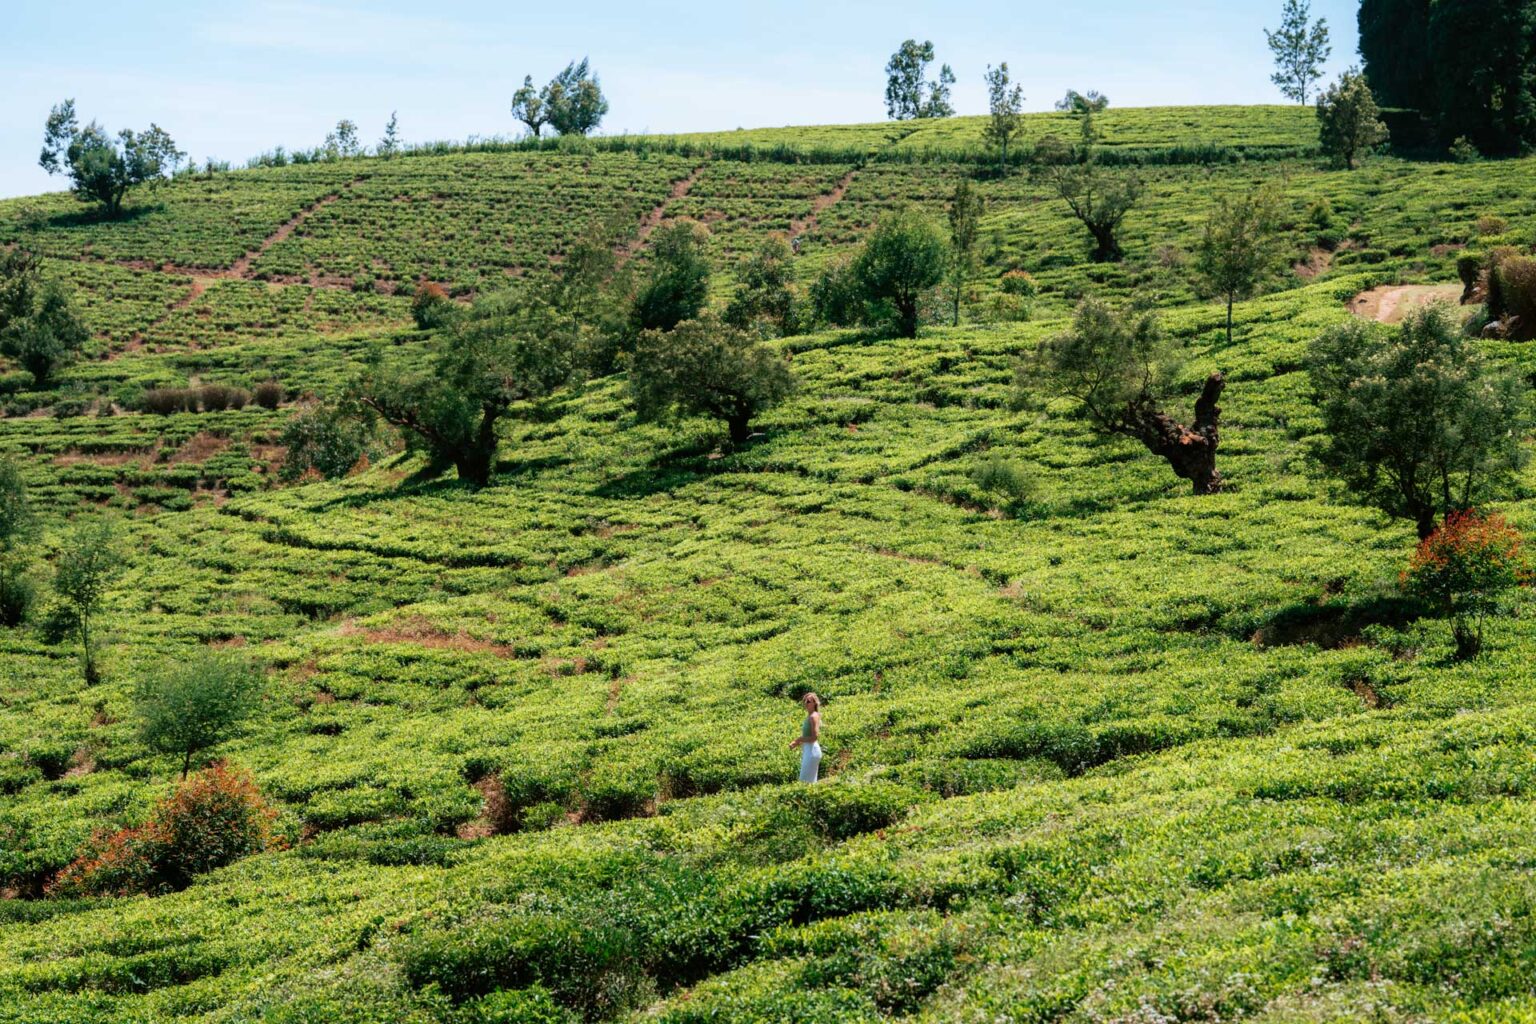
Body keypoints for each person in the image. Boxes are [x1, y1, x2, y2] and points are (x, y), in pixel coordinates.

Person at [790, 692, 822, 783]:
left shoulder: (813, 716)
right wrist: (797, 743)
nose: (806, 703)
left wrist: (799, 739)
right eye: (805, 701)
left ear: (814, 703)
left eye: (808, 701)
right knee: (808, 781)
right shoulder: (810, 716)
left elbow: (814, 737)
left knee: (805, 782)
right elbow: (808, 736)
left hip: (812, 750)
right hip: (809, 749)